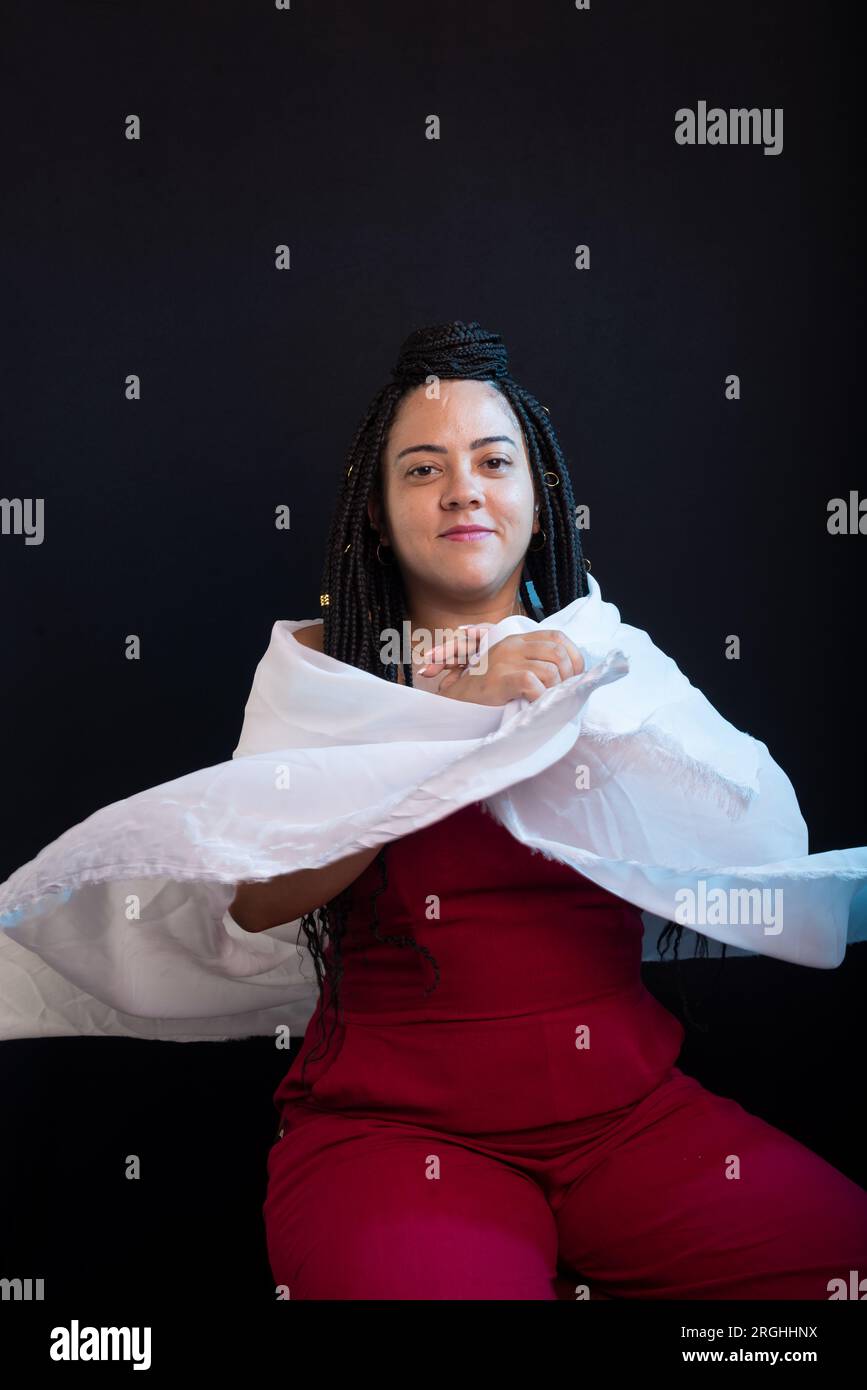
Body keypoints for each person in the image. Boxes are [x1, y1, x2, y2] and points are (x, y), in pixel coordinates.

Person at [229, 320, 867, 1301]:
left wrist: (581, 713)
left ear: (539, 500)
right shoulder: (320, 665)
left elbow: (762, 838)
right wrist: (447, 710)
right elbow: (259, 894)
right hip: (398, 1135)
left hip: (627, 1118)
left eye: (493, 461)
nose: (462, 489)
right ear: (376, 511)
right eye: (421, 468)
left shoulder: (608, 654)